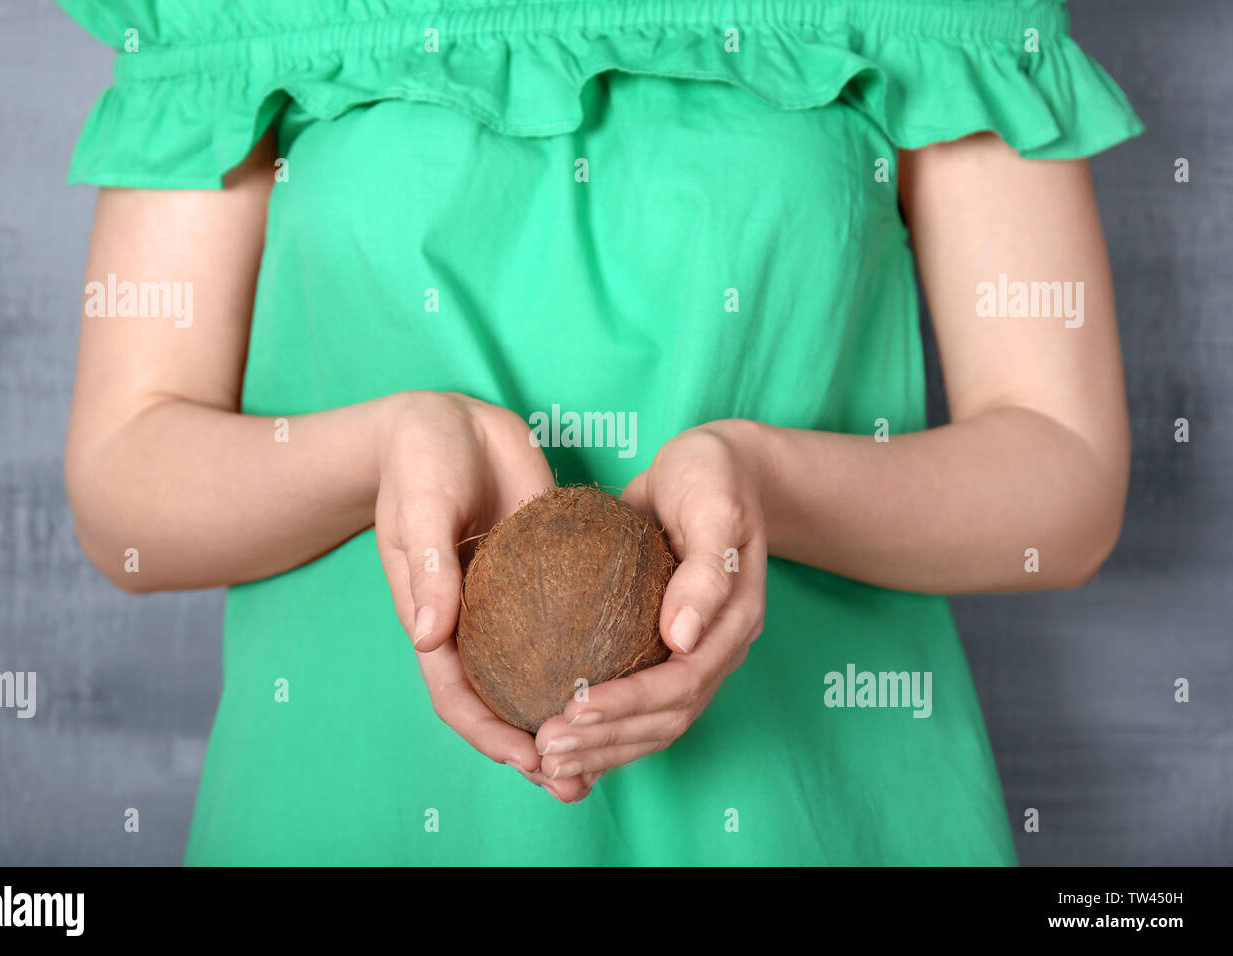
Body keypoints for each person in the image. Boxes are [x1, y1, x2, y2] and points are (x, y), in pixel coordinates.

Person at [59, 0, 1144, 864]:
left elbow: (1065, 474)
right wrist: (385, 448)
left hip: (813, 811)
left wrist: (763, 481)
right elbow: (125, 482)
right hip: (356, 811)